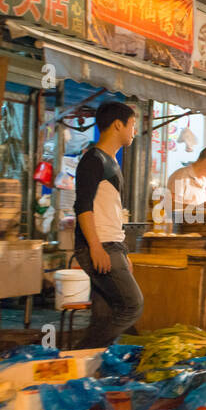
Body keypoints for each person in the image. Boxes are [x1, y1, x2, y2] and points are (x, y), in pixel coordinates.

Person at [73, 101, 143, 349]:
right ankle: (78, 357)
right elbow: (83, 206)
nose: (134, 131)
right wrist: (95, 247)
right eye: (132, 125)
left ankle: (91, 370)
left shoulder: (110, 161)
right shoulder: (93, 159)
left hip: (112, 245)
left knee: (104, 316)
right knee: (132, 306)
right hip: (100, 245)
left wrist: (123, 251)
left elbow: (110, 212)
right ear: (117, 125)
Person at [165, 146, 206, 225]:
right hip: (180, 229)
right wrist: (198, 208)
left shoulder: (203, 180)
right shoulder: (181, 177)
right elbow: (170, 206)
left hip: (195, 228)